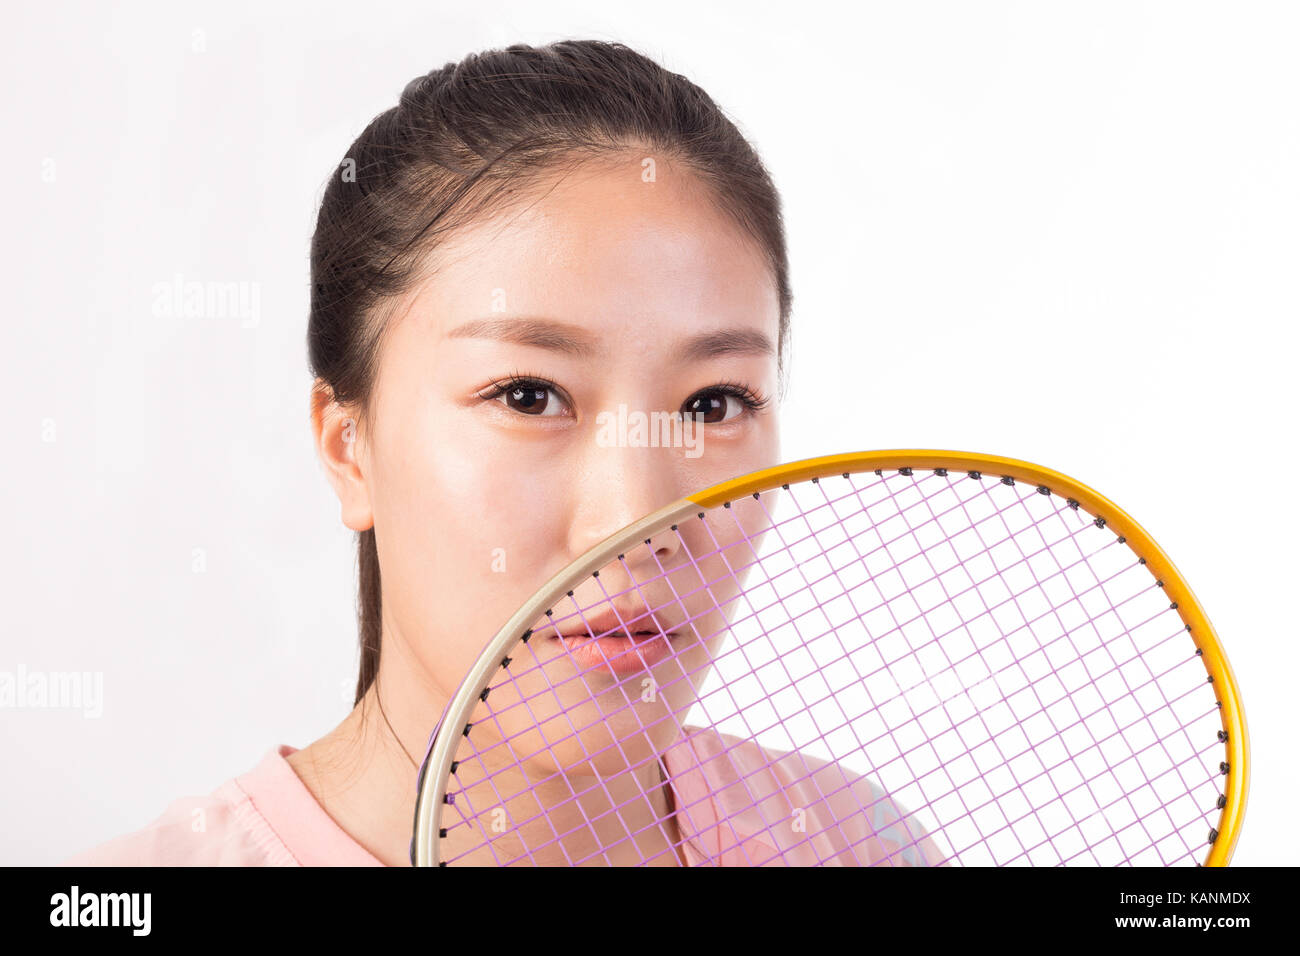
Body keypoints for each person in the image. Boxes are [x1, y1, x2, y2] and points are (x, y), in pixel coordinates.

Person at [62, 38, 938, 867]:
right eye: (528, 396)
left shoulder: (854, 842)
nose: (637, 519)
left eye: (713, 404)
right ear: (348, 448)